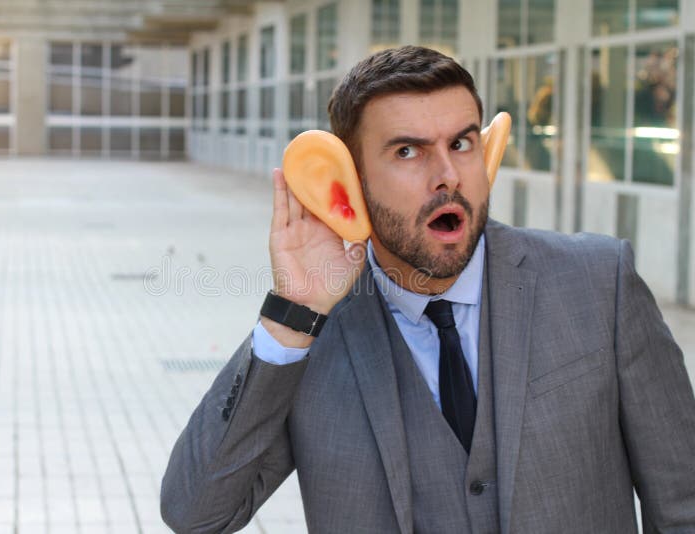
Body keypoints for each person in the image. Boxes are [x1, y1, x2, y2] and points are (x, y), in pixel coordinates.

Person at [160, 46, 695, 533]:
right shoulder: (311, 335)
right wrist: (291, 315)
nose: (448, 176)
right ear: (349, 182)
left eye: (461, 143)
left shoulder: (600, 283)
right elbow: (196, 514)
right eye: (408, 152)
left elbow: (683, 503)